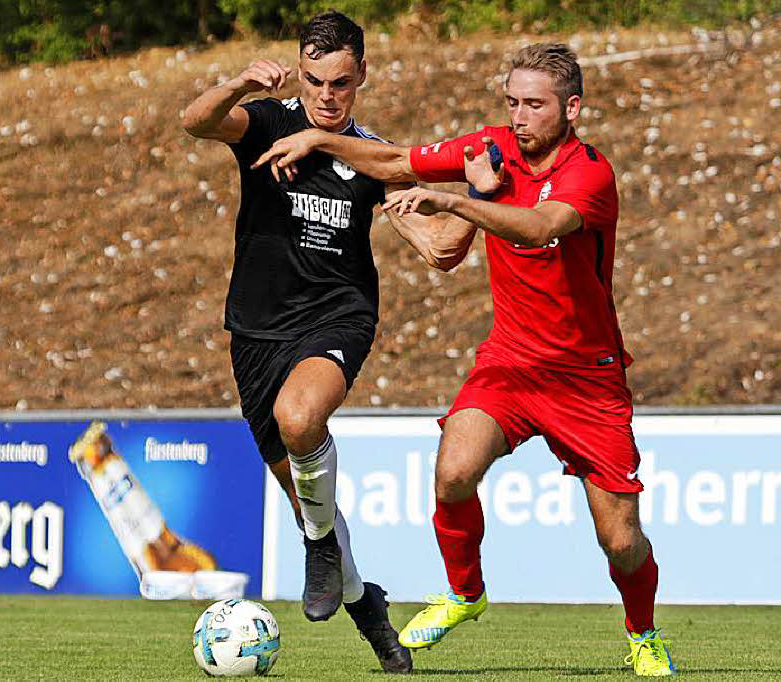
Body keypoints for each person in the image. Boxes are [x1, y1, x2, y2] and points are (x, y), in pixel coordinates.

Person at [254, 43, 677, 677]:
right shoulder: (491, 148)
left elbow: (538, 227)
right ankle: (465, 593)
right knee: (453, 470)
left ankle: (642, 632)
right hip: (509, 362)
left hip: (587, 380)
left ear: (572, 108)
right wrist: (320, 140)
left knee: (620, 540)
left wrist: (456, 201)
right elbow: (396, 159)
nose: (519, 116)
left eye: (534, 104)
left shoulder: (590, 173)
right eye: (511, 102)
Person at [181, 11, 473, 675]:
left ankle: (319, 549)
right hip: (255, 334)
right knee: (311, 504)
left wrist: (468, 208)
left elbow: (439, 248)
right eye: (314, 81)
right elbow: (194, 122)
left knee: (299, 417)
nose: (327, 95)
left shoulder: (371, 156)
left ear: (362, 75)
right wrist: (235, 84)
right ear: (298, 72)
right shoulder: (265, 121)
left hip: (337, 320)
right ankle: (368, 608)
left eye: (341, 82)